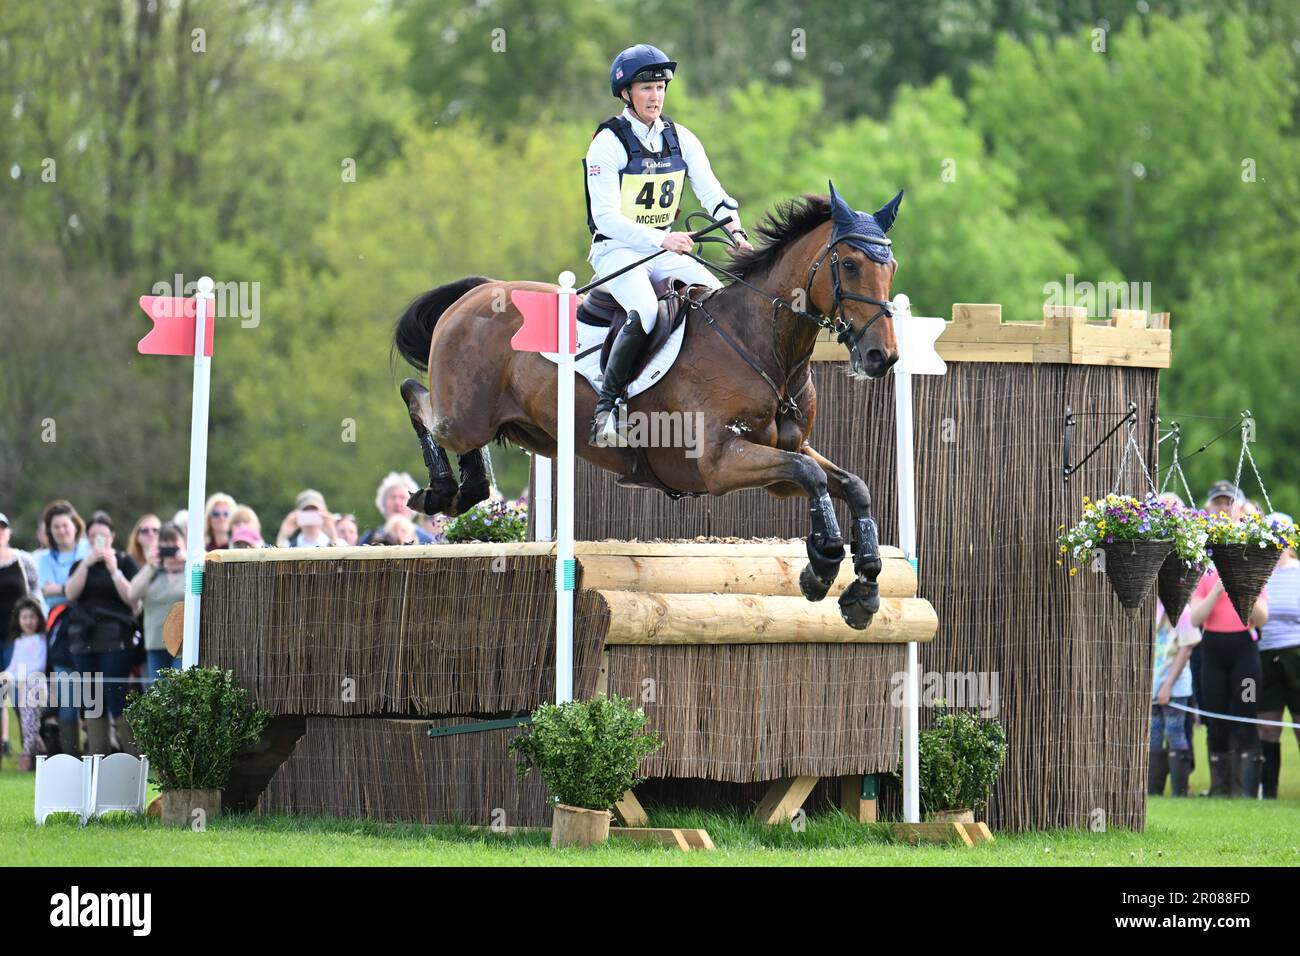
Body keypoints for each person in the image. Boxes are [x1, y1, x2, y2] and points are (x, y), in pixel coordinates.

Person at [583, 43, 753, 445]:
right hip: (616, 250)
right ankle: (607, 407)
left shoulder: (682, 138)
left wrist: (737, 234)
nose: (655, 96)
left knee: (717, 298)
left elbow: (714, 195)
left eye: (660, 87)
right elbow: (606, 217)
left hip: (663, 250)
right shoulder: (607, 143)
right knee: (643, 309)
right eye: (646, 88)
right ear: (626, 93)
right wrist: (663, 238)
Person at [1189, 483, 1268, 797]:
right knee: (1215, 713)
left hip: (1243, 649)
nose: (1222, 508)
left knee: (1246, 711)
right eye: (1217, 503)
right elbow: (1195, 619)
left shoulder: (1250, 553)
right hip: (1212, 650)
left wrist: (1238, 586)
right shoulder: (1201, 557)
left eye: (1228, 503)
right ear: (1208, 509)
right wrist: (1218, 590)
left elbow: (1262, 617)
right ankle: (1220, 787)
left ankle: (1246, 789)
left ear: (1238, 509)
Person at [64, 511, 140, 756]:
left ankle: (133, 759)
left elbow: (133, 599)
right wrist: (86, 564)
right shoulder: (80, 565)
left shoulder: (125, 562)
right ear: (86, 538)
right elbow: (70, 594)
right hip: (84, 639)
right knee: (93, 701)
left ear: (112, 537)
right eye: (93, 536)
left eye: (103, 536)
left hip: (116, 640)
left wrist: (114, 569)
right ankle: (99, 757)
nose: (98, 540)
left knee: (116, 696)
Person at [1258, 512, 1300, 799]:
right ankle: (1268, 790)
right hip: (1265, 654)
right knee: (1267, 727)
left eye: (1282, 535)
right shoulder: (1258, 572)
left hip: (1296, 655)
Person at [1150, 596, 1201, 797]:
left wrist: (1168, 686)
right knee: (1153, 734)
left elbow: (1186, 648)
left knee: (1175, 732)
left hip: (1175, 686)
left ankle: (1179, 792)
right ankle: (1153, 790)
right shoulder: (1148, 608)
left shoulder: (1183, 610)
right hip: (1152, 685)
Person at [0, 512, 39, 756]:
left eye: (2, 528)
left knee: (20, 694)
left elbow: (35, 596)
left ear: (8, 532)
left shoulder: (23, 561)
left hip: (17, 638)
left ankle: (30, 749)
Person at [126, 522, 186, 682]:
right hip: (155, 643)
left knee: (179, 689)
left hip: (183, 644)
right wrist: (150, 565)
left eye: (174, 542)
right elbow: (132, 593)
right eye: (165, 543)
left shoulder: (191, 569)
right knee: (159, 694)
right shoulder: (152, 573)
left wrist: (187, 559)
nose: (169, 547)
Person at [2, 597, 48, 770]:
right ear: (19, 620)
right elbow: (13, 666)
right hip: (22, 688)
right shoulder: (19, 642)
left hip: (36, 687)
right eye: (24, 617)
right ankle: (44, 756)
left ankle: (26, 757)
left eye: (32, 617)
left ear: (38, 618)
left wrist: (13, 676)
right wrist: (5, 674)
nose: (28, 621)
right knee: (29, 725)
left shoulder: (41, 640)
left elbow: (38, 666)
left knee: (31, 724)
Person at [36, 500, 89, 614]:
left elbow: (95, 589)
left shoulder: (89, 549)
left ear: (75, 526)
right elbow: (50, 599)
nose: (61, 531)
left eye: (65, 525)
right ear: (50, 531)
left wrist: (60, 589)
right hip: (60, 618)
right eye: (56, 527)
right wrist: (79, 588)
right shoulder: (43, 559)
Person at [360, 473, 436, 544]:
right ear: (383, 503)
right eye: (392, 497)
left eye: (402, 497)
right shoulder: (369, 538)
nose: (397, 502)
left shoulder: (427, 540)